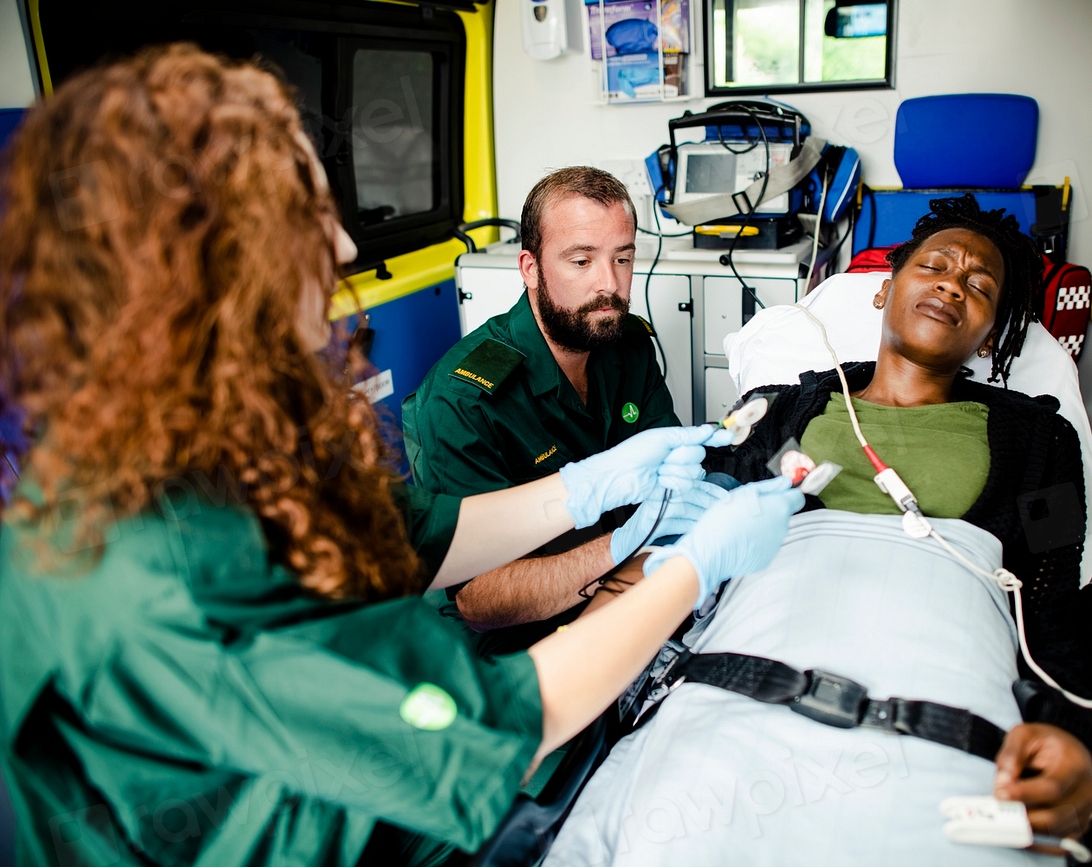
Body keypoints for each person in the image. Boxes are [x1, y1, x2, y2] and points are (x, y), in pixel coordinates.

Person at [0, 46, 804, 867]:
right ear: (204, 265)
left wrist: (588, 486)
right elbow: (491, 724)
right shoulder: (169, 575)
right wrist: (689, 569)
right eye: (306, 217)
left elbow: (411, 533)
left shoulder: (204, 443)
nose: (344, 248)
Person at [545, 196, 1092, 865]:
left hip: (941, 731)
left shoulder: (1042, 438)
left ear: (990, 334)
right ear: (884, 289)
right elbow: (681, 549)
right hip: (734, 702)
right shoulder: (788, 404)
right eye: (934, 266)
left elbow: (1055, 621)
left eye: (980, 285)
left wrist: (1077, 746)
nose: (953, 283)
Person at [403, 167, 682, 650]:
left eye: (623, 258)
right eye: (581, 261)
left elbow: (666, 475)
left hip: (619, 585)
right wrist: (629, 547)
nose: (609, 285)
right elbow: (482, 599)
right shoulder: (462, 400)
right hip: (511, 647)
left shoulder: (626, 343)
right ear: (530, 268)